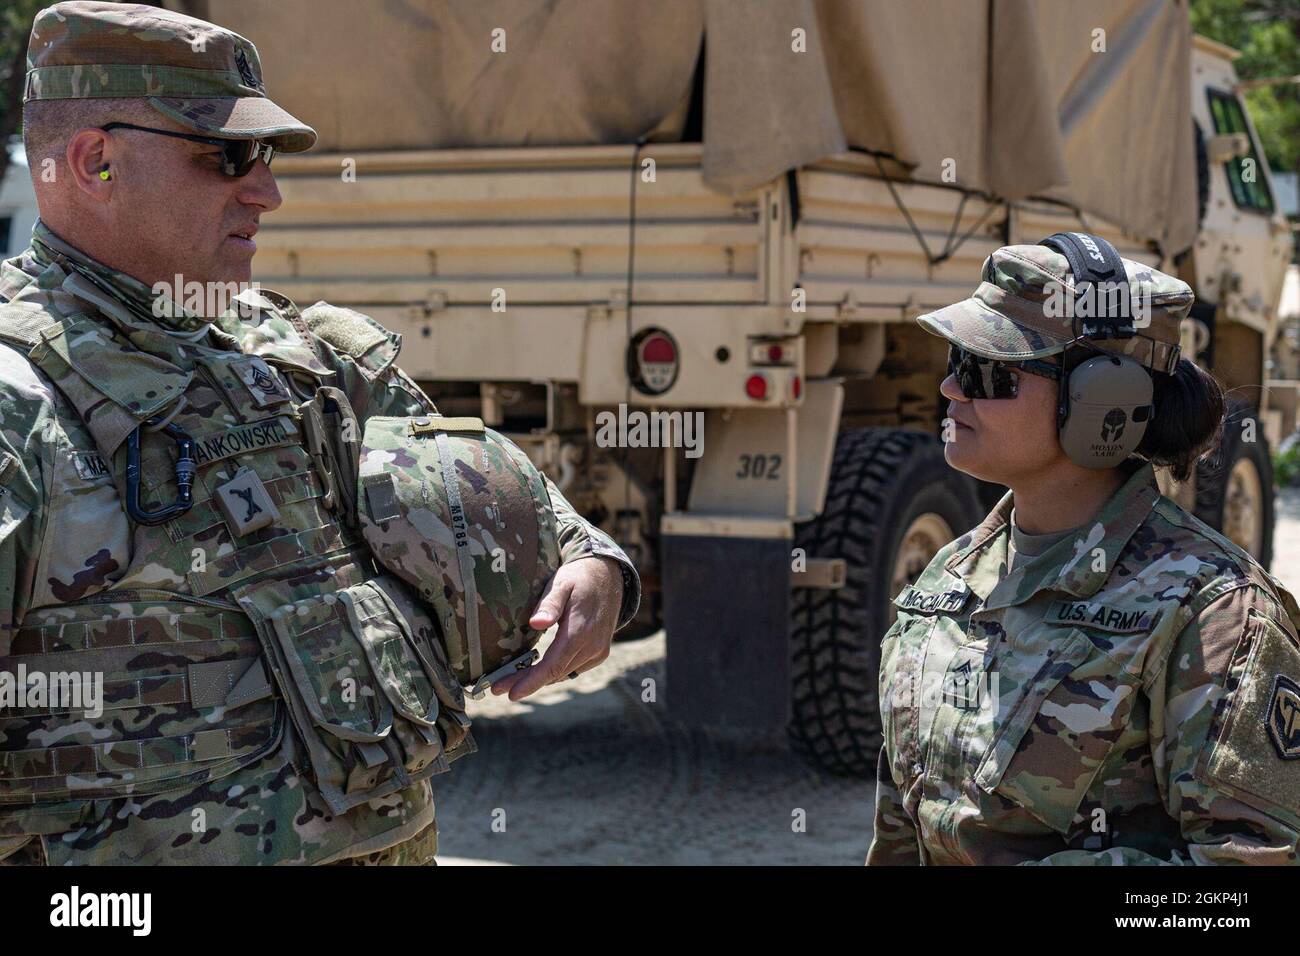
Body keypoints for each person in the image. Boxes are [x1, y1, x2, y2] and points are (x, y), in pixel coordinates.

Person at [0, 1, 639, 866]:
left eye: (262, 156)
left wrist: (593, 565)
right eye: (225, 156)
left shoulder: (295, 350)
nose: (266, 190)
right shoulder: (19, 399)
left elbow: (479, 479)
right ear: (95, 161)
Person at [867, 233, 1300, 865]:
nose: (952, 390)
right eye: (957, 362)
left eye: (987, 370)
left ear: (1102, 403)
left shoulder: (1212, 613)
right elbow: (903, 837)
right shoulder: (946, 582)